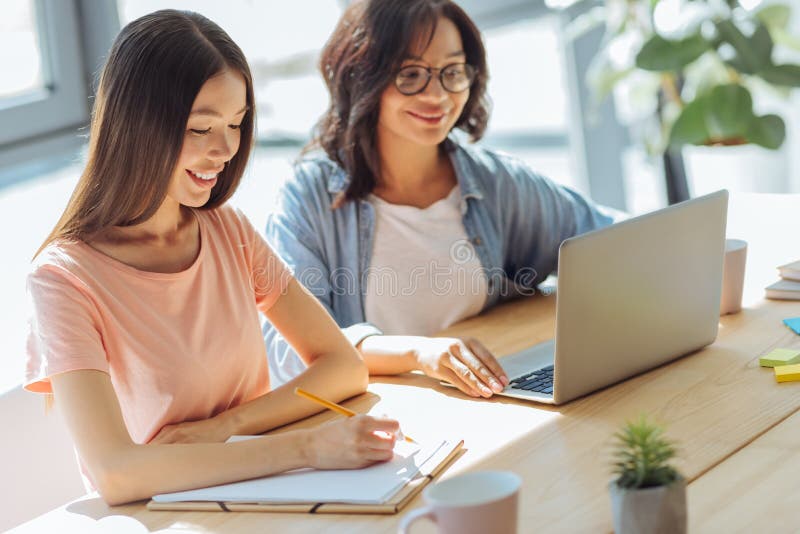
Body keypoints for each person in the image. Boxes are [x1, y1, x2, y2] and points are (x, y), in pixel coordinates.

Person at [24, 10, 399, 507]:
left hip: (263, 495)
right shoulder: (63, 278)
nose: (224, 149)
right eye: (201, 128)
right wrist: (308, 448)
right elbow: (115, 473)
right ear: (137, 125)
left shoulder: (228, 230)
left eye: (236, 124)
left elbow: (344, 367)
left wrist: (226, 427)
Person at [264, 0, 623, 397]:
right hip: (383, 415)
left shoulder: (493, 181)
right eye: (411, 74)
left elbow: (615, 239)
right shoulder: (309, 195)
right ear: (362, 76)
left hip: (490, 396)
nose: (437, 95)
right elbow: (287, 350)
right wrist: (417, 353)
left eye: (452, 72)